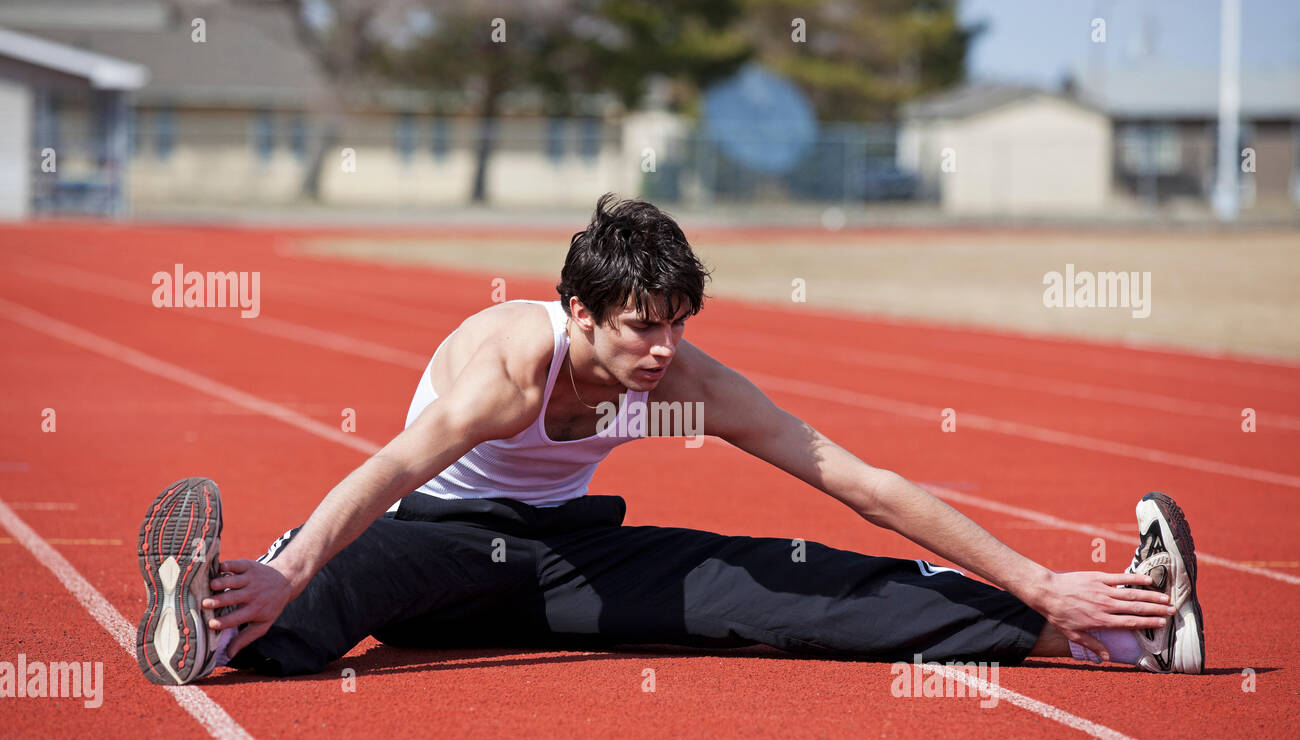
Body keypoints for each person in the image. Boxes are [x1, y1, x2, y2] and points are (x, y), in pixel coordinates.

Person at [134, 194, 1203, 686]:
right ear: (582, 312)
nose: (664, 349)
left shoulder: (681, 378)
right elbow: (390, 470)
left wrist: (1040, 582)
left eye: (678, 322)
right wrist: (286, 566)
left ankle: (1115, 631)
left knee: (789, 586)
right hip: (443, 533)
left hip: (566, 551)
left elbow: (859, 482)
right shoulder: (514, 365)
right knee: (336, 584)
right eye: (644, 325)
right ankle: (218, 622)